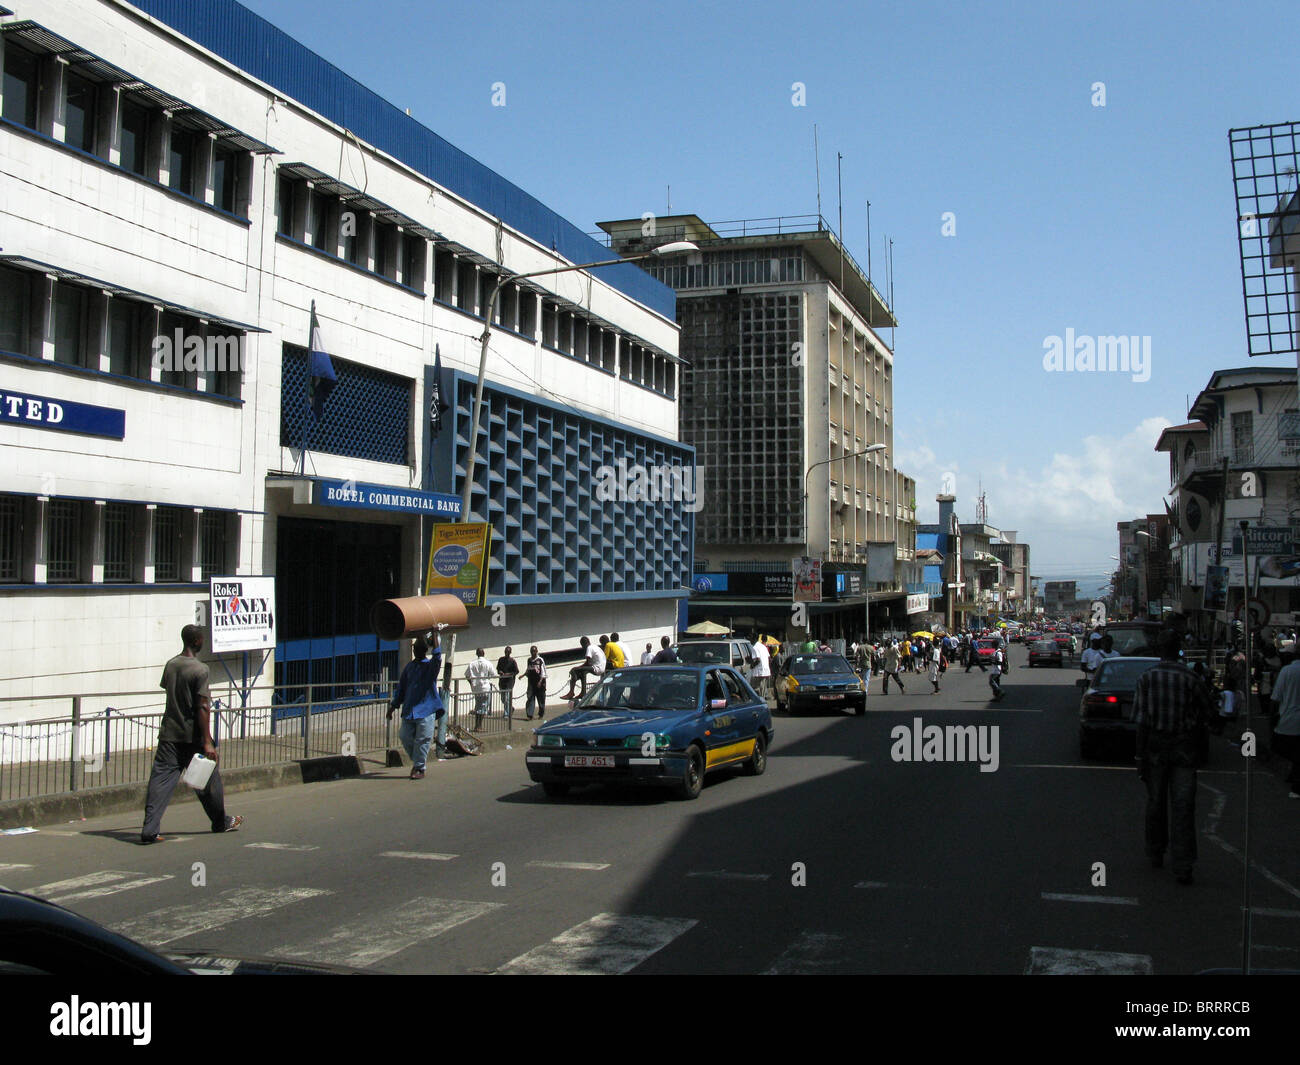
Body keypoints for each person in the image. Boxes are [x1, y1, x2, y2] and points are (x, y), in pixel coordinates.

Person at [141, 624, 242, 843]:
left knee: (160, 783)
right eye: (202, 639)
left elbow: (169, 691)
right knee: (208, 782)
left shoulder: (171, 665)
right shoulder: (200, 669)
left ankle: (149, 829)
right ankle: (220, 822)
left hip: (169, 733)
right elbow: (202, 706)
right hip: (193, 736)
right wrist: (207, 742)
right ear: (197, 642)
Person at [1133, 629, 1214, 884]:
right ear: (1179, 651)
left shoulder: (1147, 678)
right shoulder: (1190, 677)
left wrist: (1139, 756)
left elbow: (1141, 723)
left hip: (1155, 748)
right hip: (1184, 749)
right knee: (1183, 807)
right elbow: (1207, 712)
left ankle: (1155, 851)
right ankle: (1183, 864)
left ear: (1159, 652)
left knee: (1156, 802)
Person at [389, 633, 445, 778]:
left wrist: (435, 637)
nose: (415, 651)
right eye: (415, 649)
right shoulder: (409, 667)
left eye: (419, 649)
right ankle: (418, 761)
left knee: (423, 739)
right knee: (404, 736)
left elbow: (438, 659)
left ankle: (419, 768)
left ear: (424, 651)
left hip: (426, 709)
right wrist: (393, 707)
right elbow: (401, 689)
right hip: (410, 710)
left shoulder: (429, 667)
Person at [1267, 650, 1300, 799]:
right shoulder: (1287, 671)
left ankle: (1295, 780)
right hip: (1291, 719)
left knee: (1282, 749)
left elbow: (1275, 698)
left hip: (1288, 720)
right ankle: (1293, 774)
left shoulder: (1287, 671)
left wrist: (1271, 718)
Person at [465, 647, 496, 730]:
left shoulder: (472, 663)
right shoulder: (488, 663)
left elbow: (467, 675)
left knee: (478, 706)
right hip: (485, 687)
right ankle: (479, 725)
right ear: (484, 653)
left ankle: (477, 725)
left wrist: (471, 683)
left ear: (476, 654)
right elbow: (493, 674)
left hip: (476, 688)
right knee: (483, 707)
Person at [497, 646, 520, 726]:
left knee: (507, 698)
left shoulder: (512, 661)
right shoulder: (501, 660)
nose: (506, 653)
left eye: (508, 652)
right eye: (506, 651)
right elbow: (498, 669)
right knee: (503, 699)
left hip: (509, 682)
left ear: (510, 652)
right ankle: (511, 708)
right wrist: (500, 672)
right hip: (502, 682)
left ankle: (506, 714)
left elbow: (516, 671)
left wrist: (509, 674)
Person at [524, 646, 547, 721]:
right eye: (531, 651)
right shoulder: (529, 660)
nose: (533, 653)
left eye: (534, 651)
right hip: (531, 682)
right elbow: (528, 669)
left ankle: (541, 713)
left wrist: (540, 681)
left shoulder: (540, 660)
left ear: (537, 651)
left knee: (541, 699)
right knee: (530, 697)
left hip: (539, 682)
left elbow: (543, 672)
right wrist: (524, 675)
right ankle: (530, 715)